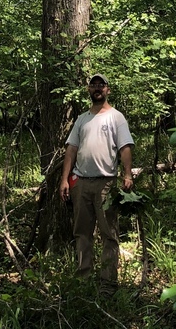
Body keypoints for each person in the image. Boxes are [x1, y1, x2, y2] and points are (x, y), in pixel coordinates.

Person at [59, 73, 134, 292]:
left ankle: (108, 282)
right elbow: (71, 148)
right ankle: (83, 278)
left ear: (108, 90)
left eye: (101, 85)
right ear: (88, 90)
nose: (97, 88)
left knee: (109, 233)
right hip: (81, 183)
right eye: (94, 85)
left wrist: (127, 174)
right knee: (82, 232)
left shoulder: (116, 117)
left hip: (106, 185)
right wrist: (64, 179)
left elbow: (125, 147)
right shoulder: (82, 119)